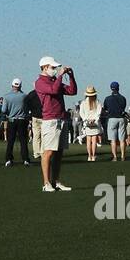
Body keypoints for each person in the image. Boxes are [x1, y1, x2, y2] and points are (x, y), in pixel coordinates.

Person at [34, 55, 76, 191]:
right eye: (52, 67)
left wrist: (71, 76)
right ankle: (46, 183)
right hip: (50, 120)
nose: (55, 69)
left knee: (59, 153)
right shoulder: (40, 82)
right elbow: (53, 90)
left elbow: (72, 91)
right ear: (45, 67)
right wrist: (60, 76)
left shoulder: (54, 81)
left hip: (61, 118)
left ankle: (55, 181)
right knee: (48, 152)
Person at [2, 78, 32, 166]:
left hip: (11, 120)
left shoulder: (6, 96)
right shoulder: (25, 96)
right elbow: (27, 109)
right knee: (23, 141)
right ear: (20, 86)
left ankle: (8, 159)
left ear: (12, 85)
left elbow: (3, 110)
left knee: (10, 141)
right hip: (22, 120)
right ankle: (25, 159)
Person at [103, 82, 127, 161]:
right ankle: (123, 156)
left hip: (112, 118)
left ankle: (115, 157)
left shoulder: (107, 98)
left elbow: (105, 109)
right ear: (118, 88)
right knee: (122, 139)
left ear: (111, 88)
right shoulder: (123, 98)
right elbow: (124, 107)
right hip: (121, 118)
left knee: (113, 140)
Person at [78, 86, 102, 161]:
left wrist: (86, 119)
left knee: (88, 140)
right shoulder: (97, 102)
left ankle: (89, 156)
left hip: (87, 123)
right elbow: (99, 112)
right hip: (95, 123)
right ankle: (93, 156)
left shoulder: (83, 102)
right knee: (94, 140)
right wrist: (94, 119)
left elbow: (81, 113)